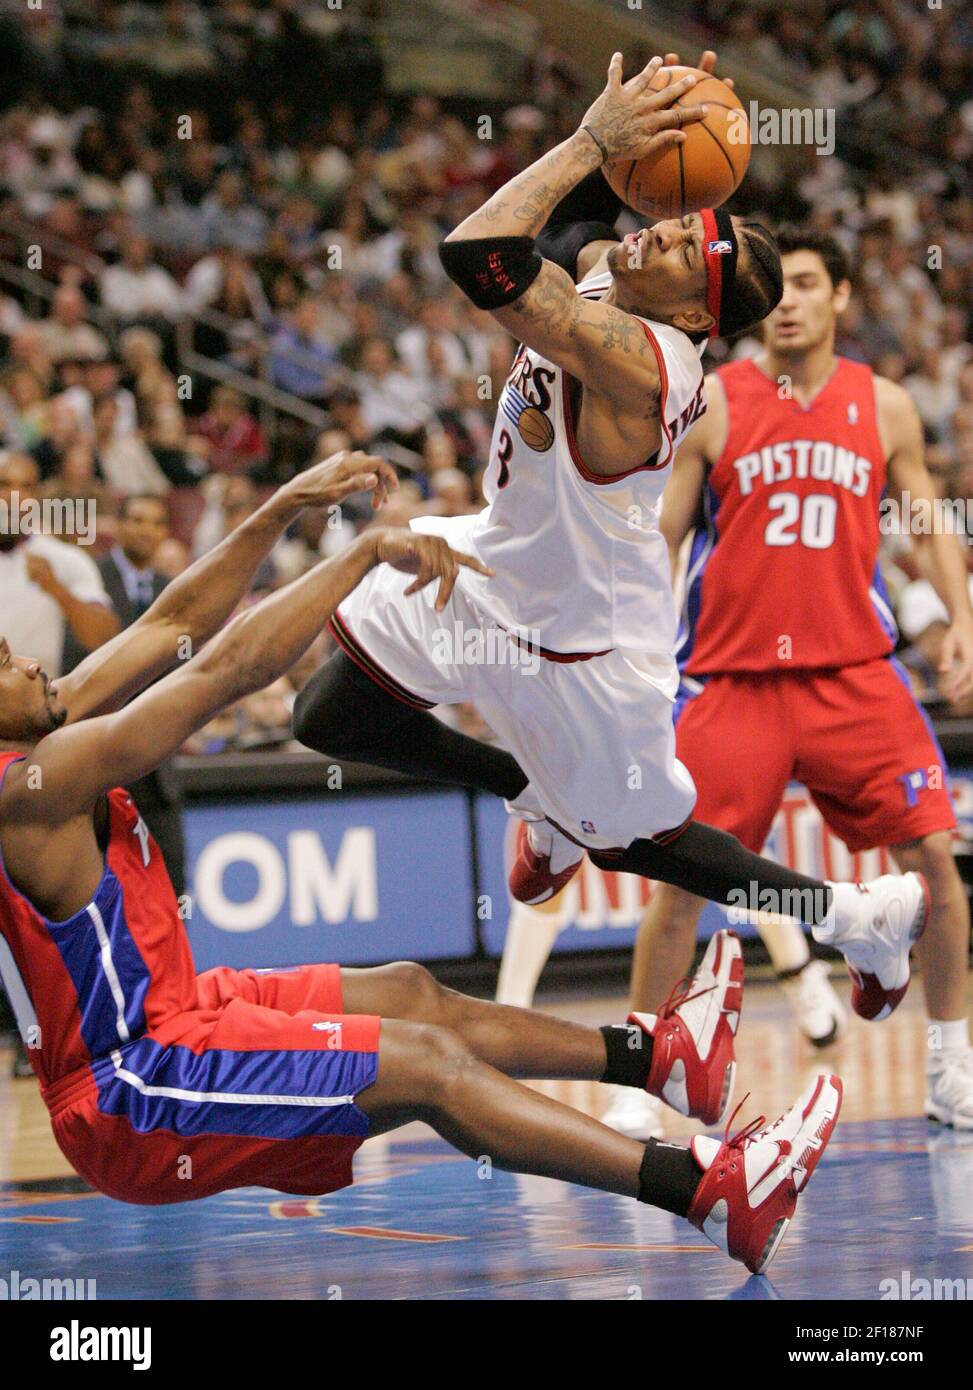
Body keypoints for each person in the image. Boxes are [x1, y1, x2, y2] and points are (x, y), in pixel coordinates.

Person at [0, 450, 838, 1277]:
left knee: (410, 992)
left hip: (174, 1011)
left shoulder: (44, 736)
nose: (35, 661)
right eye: (7, 663)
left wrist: (285, 501)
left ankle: (654, 1059)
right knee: (427, 1069)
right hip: (133, 1093)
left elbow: (171, 626)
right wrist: (360, 554)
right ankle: (704, 1188)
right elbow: (227, 670)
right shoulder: (34, 788)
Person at [293, 53, 930, 1048]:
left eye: (678, 244)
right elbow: (538, 238)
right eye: (669, 217)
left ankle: (855, 918)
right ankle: (534, 796)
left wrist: (592, 143)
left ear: (693, 316)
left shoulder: (645, 364)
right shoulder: (615, 280)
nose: (653, 233)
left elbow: (476, 254)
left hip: (578, 640)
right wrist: (654, 108)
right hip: (490, 563)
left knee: (644, 849)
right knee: (327, 713)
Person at [600, 226, 973, 1138]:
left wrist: (961, 617)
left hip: (854, 671)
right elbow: (660, 542)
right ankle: (637, 1074)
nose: (791, 301)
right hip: (732, 681)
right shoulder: (713, 402)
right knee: (677, 881)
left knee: (934, 864)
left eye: (809, 284)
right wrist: (625, 648)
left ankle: (949, 1066)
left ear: (841, 297)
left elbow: (924, 521)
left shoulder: (882, 406)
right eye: (781, 287)